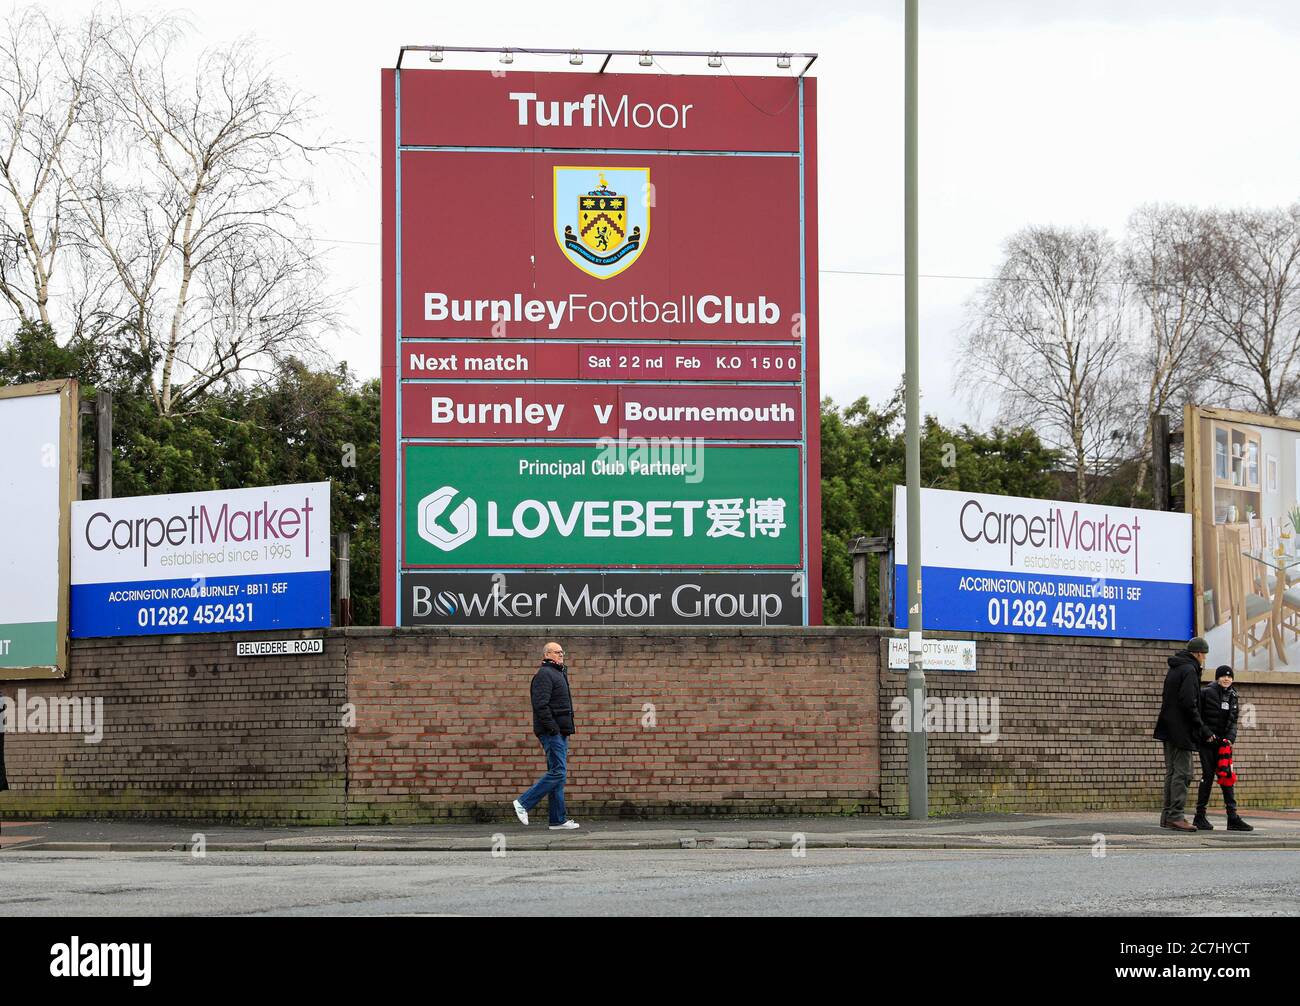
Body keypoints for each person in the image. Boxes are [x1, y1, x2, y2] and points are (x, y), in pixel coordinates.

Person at [511, 641, 579, 831]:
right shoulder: (544, 674)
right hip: (552, 732)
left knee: (557, 774)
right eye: (558, 652)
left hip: (561, 731)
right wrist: (553, 729)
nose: (561, 655)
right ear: (547, 654)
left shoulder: (558, 673)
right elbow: (540, 705)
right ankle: (523, 803)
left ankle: (557, 820)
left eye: (562, 653)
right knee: (558, 772)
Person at [1153, 636, 1210, 831]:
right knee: (1184, 773)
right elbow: (1188, 702)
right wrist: (1199, 725)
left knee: (1171, 772)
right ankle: (1176, 816)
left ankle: (1167, 815)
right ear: (1199, 654)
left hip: (1168, 726)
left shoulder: (1175, 668)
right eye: (1204, 655)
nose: (1204, 659)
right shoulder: (1189, 670)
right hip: (1181, 729)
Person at [1193, 665, 1253, 832]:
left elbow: (1233, 721)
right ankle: (1199, 816)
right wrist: (1206, 733)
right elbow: (1197, 715)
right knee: (1208, 776)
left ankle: (1232, 817)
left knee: (1227, 777)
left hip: (1223, 744)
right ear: (1217, 678)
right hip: (1207, 743)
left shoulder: (1233, 695)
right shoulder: (1206, 692)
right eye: (1223, 676)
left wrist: (1230, 738)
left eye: (1229, 677)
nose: (1227, 679)